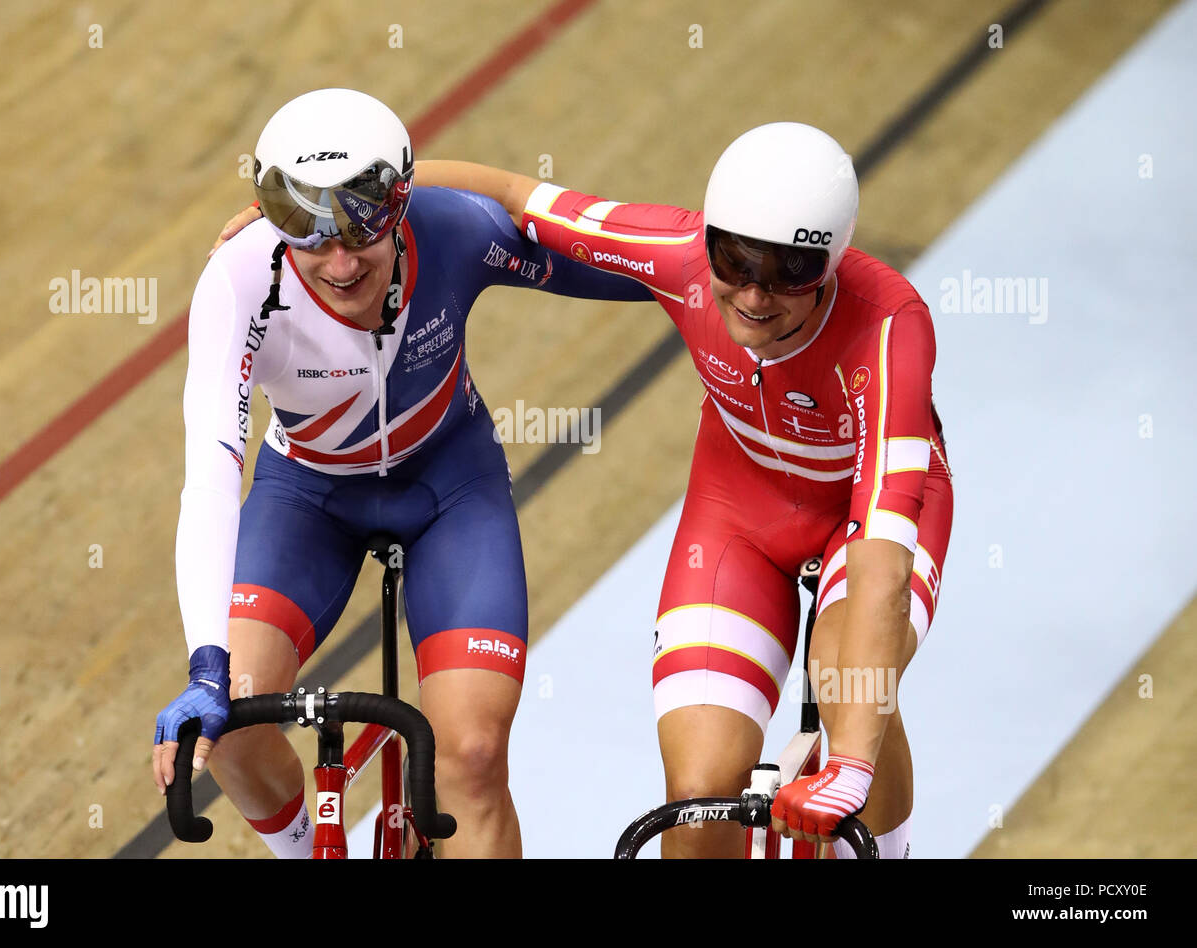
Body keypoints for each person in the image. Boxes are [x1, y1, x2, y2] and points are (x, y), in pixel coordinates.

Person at [409, 123, 954, 859]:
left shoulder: (892, 326)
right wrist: (323, 209)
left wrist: (851, 766)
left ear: (831, 262)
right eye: (736, 261)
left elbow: (883, 558)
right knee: (699, 799)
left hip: (867, 523)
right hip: (737, 515)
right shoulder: (675, 252)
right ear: (709, 242)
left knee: (845, 674)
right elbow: (516, 194)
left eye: (789, 271)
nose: (757, 296)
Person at [153, 88, 651, 858]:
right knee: (236, 728)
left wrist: (734, 265)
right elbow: (210, 473)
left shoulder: (454, 227)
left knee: (474, 757)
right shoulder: (239, 280)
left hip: (449, 490)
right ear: (278, 220)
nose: (341, 262)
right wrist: (205, 664)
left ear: (401, 203)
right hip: (307, 496)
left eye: (363, 229)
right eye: (313, 236)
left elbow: (635, 267)